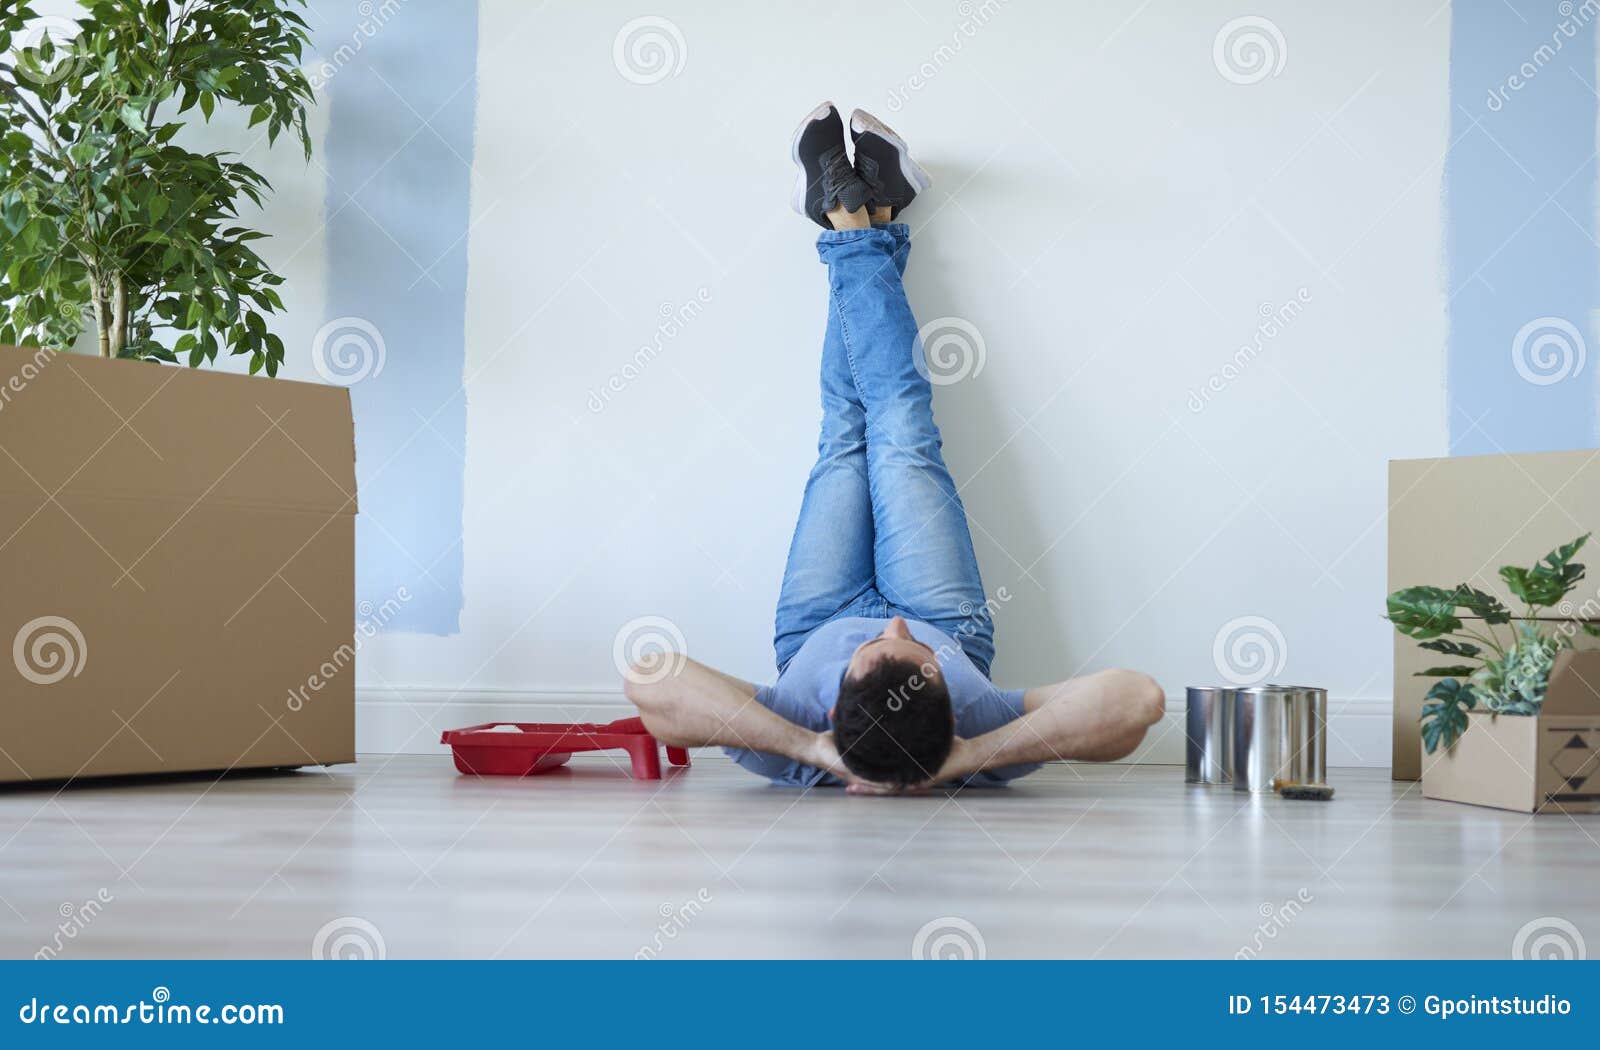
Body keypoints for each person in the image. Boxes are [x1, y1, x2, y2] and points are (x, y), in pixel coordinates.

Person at [625, 103, 1164, 793]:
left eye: (878, 648)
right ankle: (858, 219)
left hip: (816, 616)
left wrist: (811, 749)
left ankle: (864, 217)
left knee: (847, 429)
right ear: (951, 715)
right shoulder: (974, 727)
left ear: (828, 708)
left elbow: (649, 677)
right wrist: (971, 757)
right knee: (903, 428)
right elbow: (1137, 699)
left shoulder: (790, 735)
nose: (897, 629)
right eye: (917, 659)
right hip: (951, 616)